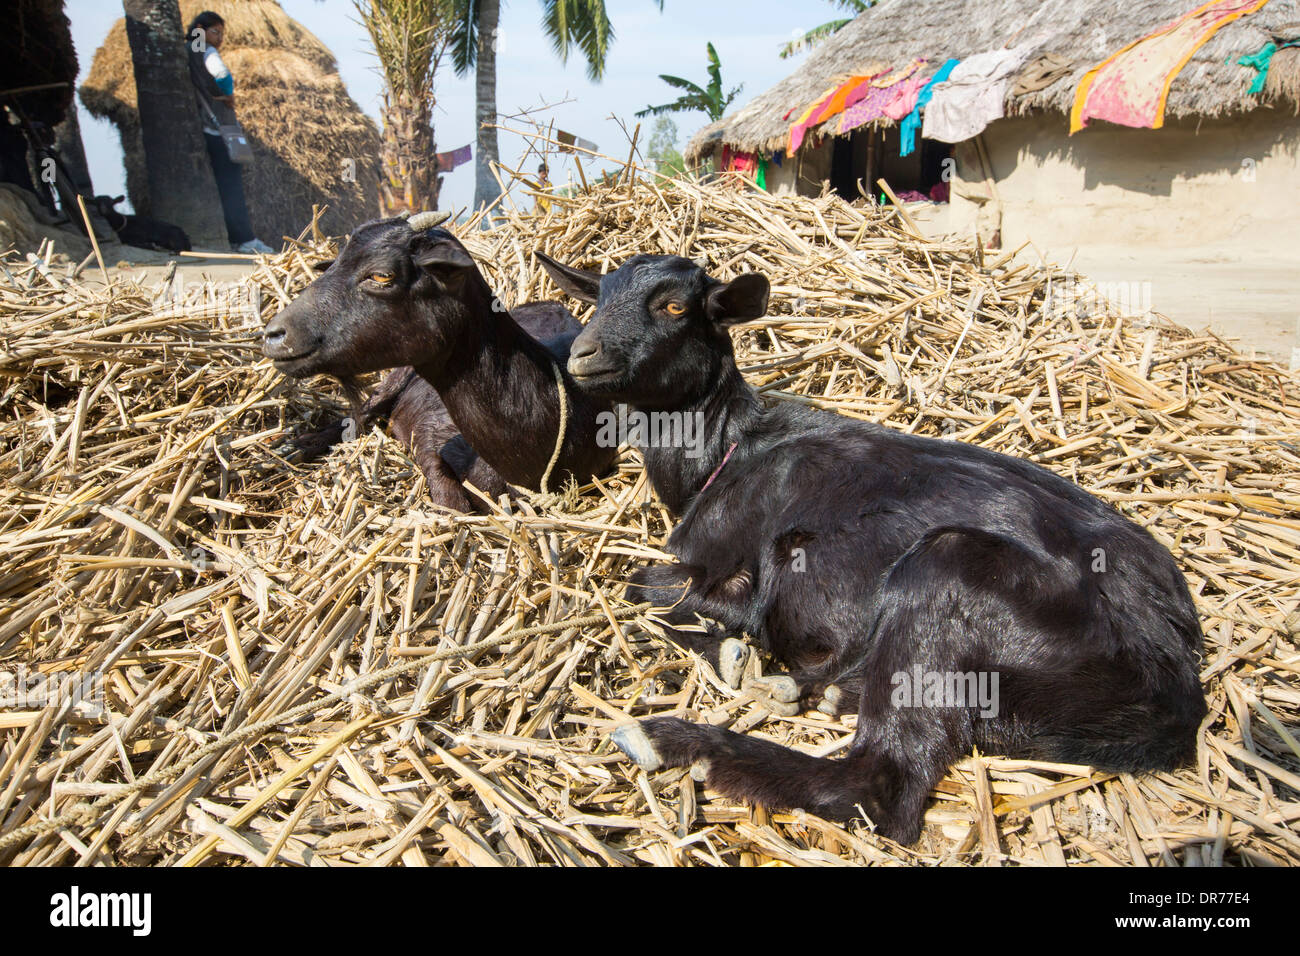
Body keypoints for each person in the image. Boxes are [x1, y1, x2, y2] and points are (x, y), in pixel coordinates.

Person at [186, 11, 274, 254]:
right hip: (218, 130)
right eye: (216, 32)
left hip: (202, 128)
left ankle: (234, 237)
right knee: (231, 185)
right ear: (200, 29)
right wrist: (228, 94)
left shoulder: (188, 52)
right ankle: (244, 240)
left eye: (222, 34)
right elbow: (222, 74)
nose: (219, 39)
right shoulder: (207, 51)